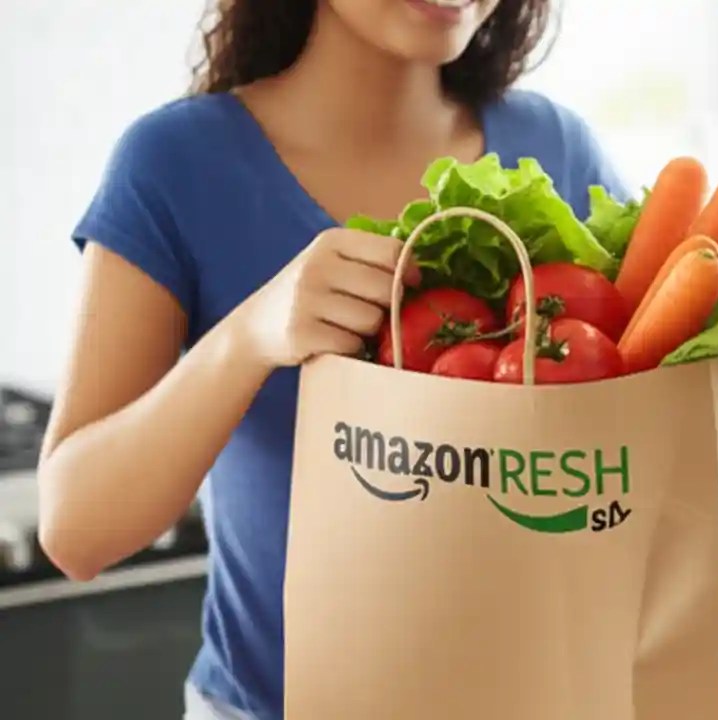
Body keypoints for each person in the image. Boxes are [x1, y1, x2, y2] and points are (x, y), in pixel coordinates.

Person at [36, 1, 630, 718]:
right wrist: (248, 335)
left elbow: (650, 471)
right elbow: (76, 531)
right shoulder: (174, 164)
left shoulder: (558, 148)